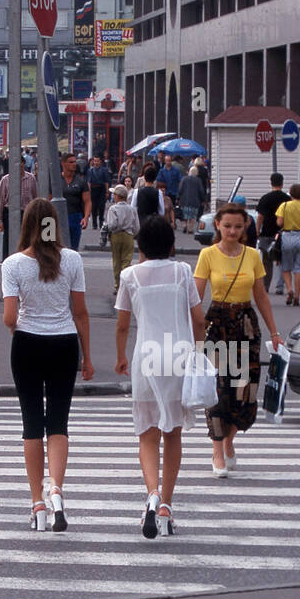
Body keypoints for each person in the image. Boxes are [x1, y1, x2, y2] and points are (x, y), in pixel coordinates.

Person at [2, 198, 94, 533]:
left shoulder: (12, 265)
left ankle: (37, 503)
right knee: (58, 422)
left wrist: (21, 326)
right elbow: (81, 313)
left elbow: (10, 317)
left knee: (31, 423)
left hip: (27, 344)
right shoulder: (72, 260)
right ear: (54, 224)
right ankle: (56, 489)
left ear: (26, 225)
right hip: (65, 344)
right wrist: (88, 357)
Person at [115, 216, 207, 538]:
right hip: (178, 357)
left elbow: (123, 325)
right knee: (173, 434)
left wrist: (120, 357)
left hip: (145, 358)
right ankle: (166, 504)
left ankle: (151, 494)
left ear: (140, 246)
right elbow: (198, 320)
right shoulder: (183, 272)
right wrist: (198, 350)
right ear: (171, 245)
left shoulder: (129, 276)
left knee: (147, 433)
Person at [194, 205, 281, 477]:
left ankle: (230, 440)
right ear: (217, 225)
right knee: (218, 388)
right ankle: (217, 451)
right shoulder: (207, 254)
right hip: (217, 323)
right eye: (227, 225)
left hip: (246, 325)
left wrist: (275, 332)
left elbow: (262, 297)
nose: (232, 231)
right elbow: (195, 296)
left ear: (245, 228)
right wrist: (191, 333)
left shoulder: (253, 255)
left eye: (238, 227)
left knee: (243, 390)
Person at [275, 183, 300, 307]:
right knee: (299, 268)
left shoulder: (284, 205)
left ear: (291, 193)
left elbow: (279, 222)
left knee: (286, 266)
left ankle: (289, 289)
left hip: (287, 236)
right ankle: (297, 296)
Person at [255, 172, 290, 293]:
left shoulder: (265, 198)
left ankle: (266, 286)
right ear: (282, 183)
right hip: (282, 233)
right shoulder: (287, 199)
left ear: (271, 182)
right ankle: (279, 286)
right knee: (282, 259)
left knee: (266, 261)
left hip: (267, 232)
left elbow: (260, 216)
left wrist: (257, 230)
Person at [0, 162, 38, 253]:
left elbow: (35, 197)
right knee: (9, 240)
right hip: (9, 213)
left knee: (27, 239)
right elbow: (0, 200)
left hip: (27, 213)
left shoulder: (31, 178)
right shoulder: (5, 179)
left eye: (21, 166)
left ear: (23, 165)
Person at [105, 183, 139, 293]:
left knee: (116, 261)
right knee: (127, 260)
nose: (113, 196)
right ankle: (125, 285)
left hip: (116, 235)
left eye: (114, 194)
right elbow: (136, 227)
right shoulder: (132, 209)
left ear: (117, 196)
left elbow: (111, 225)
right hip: (128, 235)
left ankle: (117, 285)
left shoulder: (112, 209)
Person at [60, 152, 91, 251]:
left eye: (75, 162)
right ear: (63, 163)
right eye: (71, 162)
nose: (74, 164)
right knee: (59, 248)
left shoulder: (81, 181)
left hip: (75, 216)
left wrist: (85, 218)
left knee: (73, 249)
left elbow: (87, 201)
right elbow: (49, 200)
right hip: (59, 217)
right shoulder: (57, 180)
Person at [177, 166, 205, 235]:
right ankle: (190, 228)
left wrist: (178, 198)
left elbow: (180, 189)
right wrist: (203, 199)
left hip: (185, 200)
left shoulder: (184, 179)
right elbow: (201, 191)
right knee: (193, 215)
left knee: (185, 214)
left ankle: (185, 225)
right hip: (195, 201)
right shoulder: (198, 180)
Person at [87, 154, 111, 229]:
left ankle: (101, 221)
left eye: (97, 161)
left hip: (102, 189)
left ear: (100, 161)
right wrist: (89, 191)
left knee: (101, 206)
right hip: (93, 189)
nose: (96, 162)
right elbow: (89, 182)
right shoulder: (90, 170)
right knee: (93, 207)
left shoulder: (104, 170)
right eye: (95, 161)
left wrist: (107, 191)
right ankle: (94, 223)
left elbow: (106, 181)